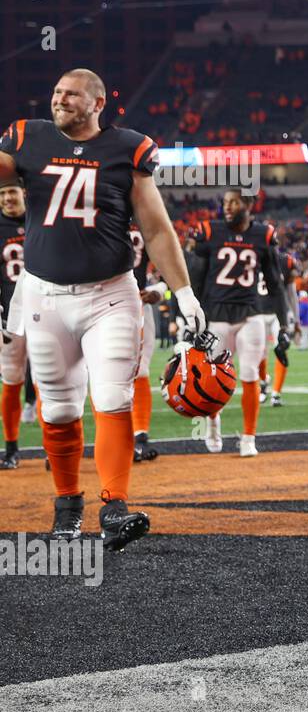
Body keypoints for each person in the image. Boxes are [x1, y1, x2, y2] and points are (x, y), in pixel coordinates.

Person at [0, 68, 206, 547]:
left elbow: (156, 229)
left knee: (114, 398)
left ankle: (114, 507)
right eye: (55, 92)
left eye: (71, 94)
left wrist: (185, 291)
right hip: (44, 295)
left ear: (97, 103)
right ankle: (67, 506)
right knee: (57, 407)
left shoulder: (125, 148)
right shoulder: (28, 137)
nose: (59, 99)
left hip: (110, 293)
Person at [189, 188, 291, 457]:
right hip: (217, 314)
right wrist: (191, 318)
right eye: (225, 202)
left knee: (249, 374)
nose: (228, 207)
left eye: (234, 202)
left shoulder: (263, 235)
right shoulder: (210, 232)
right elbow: (196, 277)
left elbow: (275, 284)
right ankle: (213, 424)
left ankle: (248, 436)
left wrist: (285, 324)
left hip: (250, 312)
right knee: (213, 379)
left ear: (248, 204)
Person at [127, 223, 169, 462]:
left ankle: (140, 437)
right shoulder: (94, 208)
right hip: (99, 302)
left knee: (140, 369)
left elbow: (169, 269)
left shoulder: (146, 219)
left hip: (138, 302)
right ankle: (118, 439)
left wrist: (158, 291)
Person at [0, 180, 28, 469]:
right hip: (11, 319)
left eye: (11, 192)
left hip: (48, 314)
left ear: (23, 193)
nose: (7, 198)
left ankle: (52, 449)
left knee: (51, 384)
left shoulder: (40, 219)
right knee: (11, 382)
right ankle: (11, 449)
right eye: (2, 194)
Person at [255, 248, 298, 407]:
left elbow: (291, 293)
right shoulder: (251, 258)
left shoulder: (286, 262)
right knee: (258, 354)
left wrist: (296, 320)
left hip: (278, 313)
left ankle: (276, 393)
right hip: (257, 312)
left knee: (281, 349)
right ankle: (263, 381)